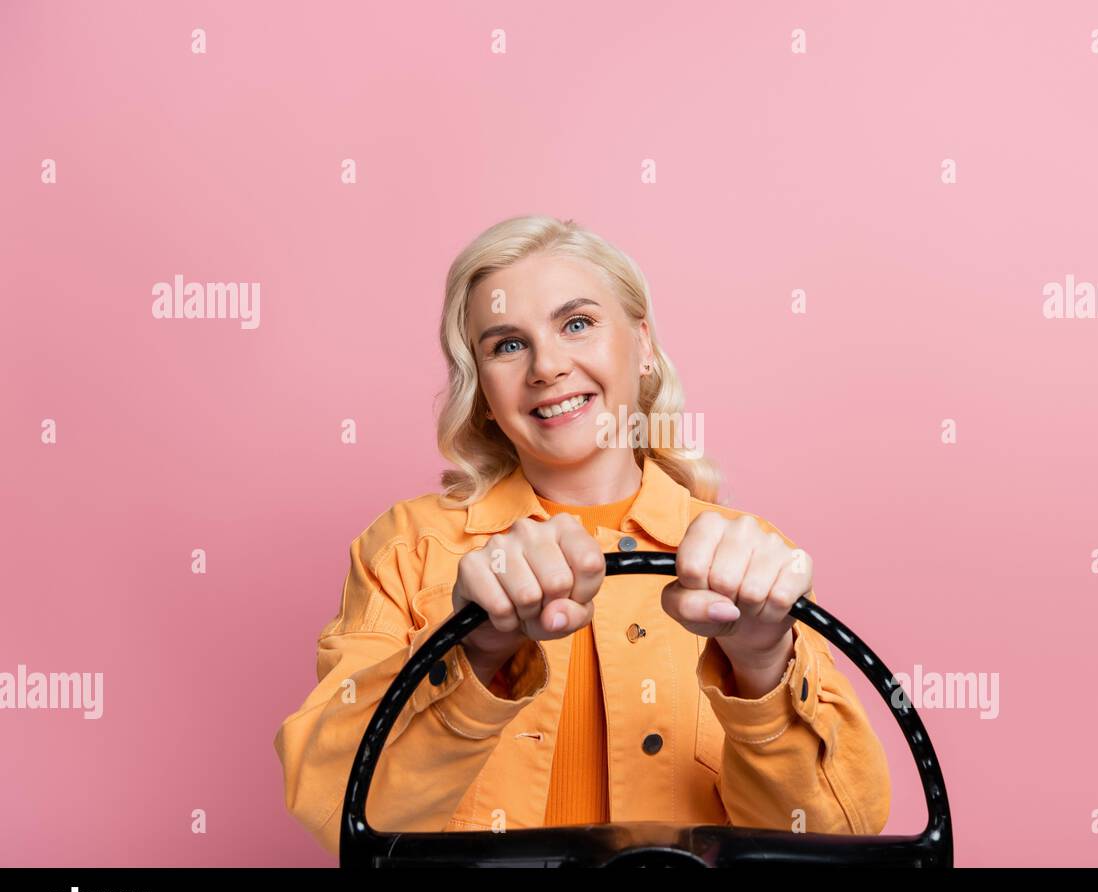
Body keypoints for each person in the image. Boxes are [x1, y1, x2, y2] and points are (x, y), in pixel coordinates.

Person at [272, 215, 891, 856]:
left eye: (577, 324)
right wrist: (476, 655)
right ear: (482, 389)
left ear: (643, 346)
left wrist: (762, 666)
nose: (546, 366)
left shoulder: (744, 556)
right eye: (507, 345)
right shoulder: (408, 546)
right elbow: (332, 808)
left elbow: (838, 839)